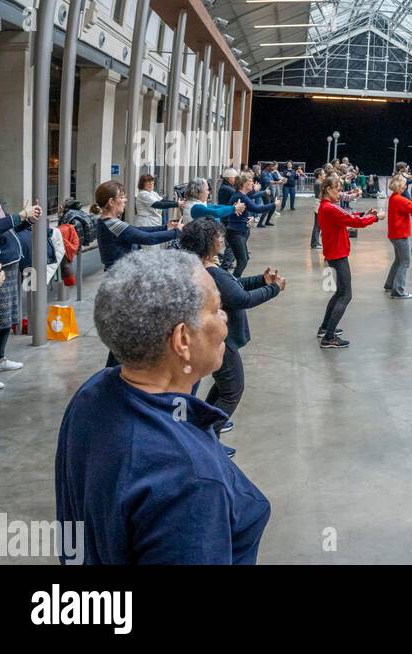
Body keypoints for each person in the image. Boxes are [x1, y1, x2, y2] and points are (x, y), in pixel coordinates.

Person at [56, 248, 270, 563]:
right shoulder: (189, 481)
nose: (225, 319)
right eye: (216, 309)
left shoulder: (92, 395)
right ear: (182, 339)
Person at [178, 219, 285, 433]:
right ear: (208, 242)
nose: (222, 240)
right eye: (218, 237)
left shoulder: (205, 268)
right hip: (219, 340)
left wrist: (260, 281)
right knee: (231, 391)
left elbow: (233, 286)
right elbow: (241, 298)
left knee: (223, 387)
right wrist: (274, 288)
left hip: (215, 337)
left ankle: (207, 432)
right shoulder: (211, 272)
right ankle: (205, 435)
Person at [0, 168, 40, 391]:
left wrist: (28, 220)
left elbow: (7, 226)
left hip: (8, 266)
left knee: (7, 317)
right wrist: (21, 215)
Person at [317, 175, 384, 348]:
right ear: (328, 190)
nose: (340, 193)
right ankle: (329, 337)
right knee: (346, 294)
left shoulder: (327, 207)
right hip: (337, 255)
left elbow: (348, 216)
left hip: (334, 253)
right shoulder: (330, 208)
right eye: (337, 190)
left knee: (339, 293)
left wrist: (365, 214)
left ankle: (325, 328)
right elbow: (354, 222)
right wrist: (375, 218)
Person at [92, 180, 180, 271]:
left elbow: (137, 229)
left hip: (117, 272)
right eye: (122, 197)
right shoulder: (113, 224)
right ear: (111, 202)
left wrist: (166, 227)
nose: (125, 200)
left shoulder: (106, 221)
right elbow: (148, 238)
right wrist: (176, 232)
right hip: (119, 274)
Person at [229, 173, 278, 275]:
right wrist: (274, 204)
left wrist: (248, 218)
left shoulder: (241, 195)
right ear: (243, 184)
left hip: (239, 231)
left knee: (245, 259)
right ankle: (234, 283)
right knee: (242, 261)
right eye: (249, 182)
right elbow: (257, 208)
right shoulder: (240, 197)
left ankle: (234, 282)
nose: (252, 184)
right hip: (235, 232)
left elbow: (242, 213)